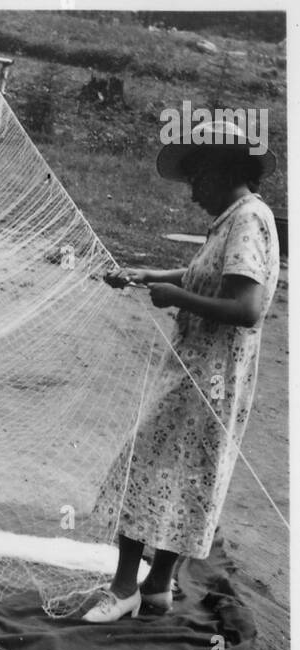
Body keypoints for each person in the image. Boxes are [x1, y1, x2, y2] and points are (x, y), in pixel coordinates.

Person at [83, 119, 279, 622]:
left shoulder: (247, 221)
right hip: (206, 374)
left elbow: (247, 307)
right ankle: (158, 585)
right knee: (183, 477)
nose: (192, 193)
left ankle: (124, 586)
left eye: (197, 179)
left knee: (147, 466)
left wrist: (175, 298)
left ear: (222, 170)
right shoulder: (236, 218)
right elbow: (212, 276)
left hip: (207, 377)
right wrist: (155, 275)